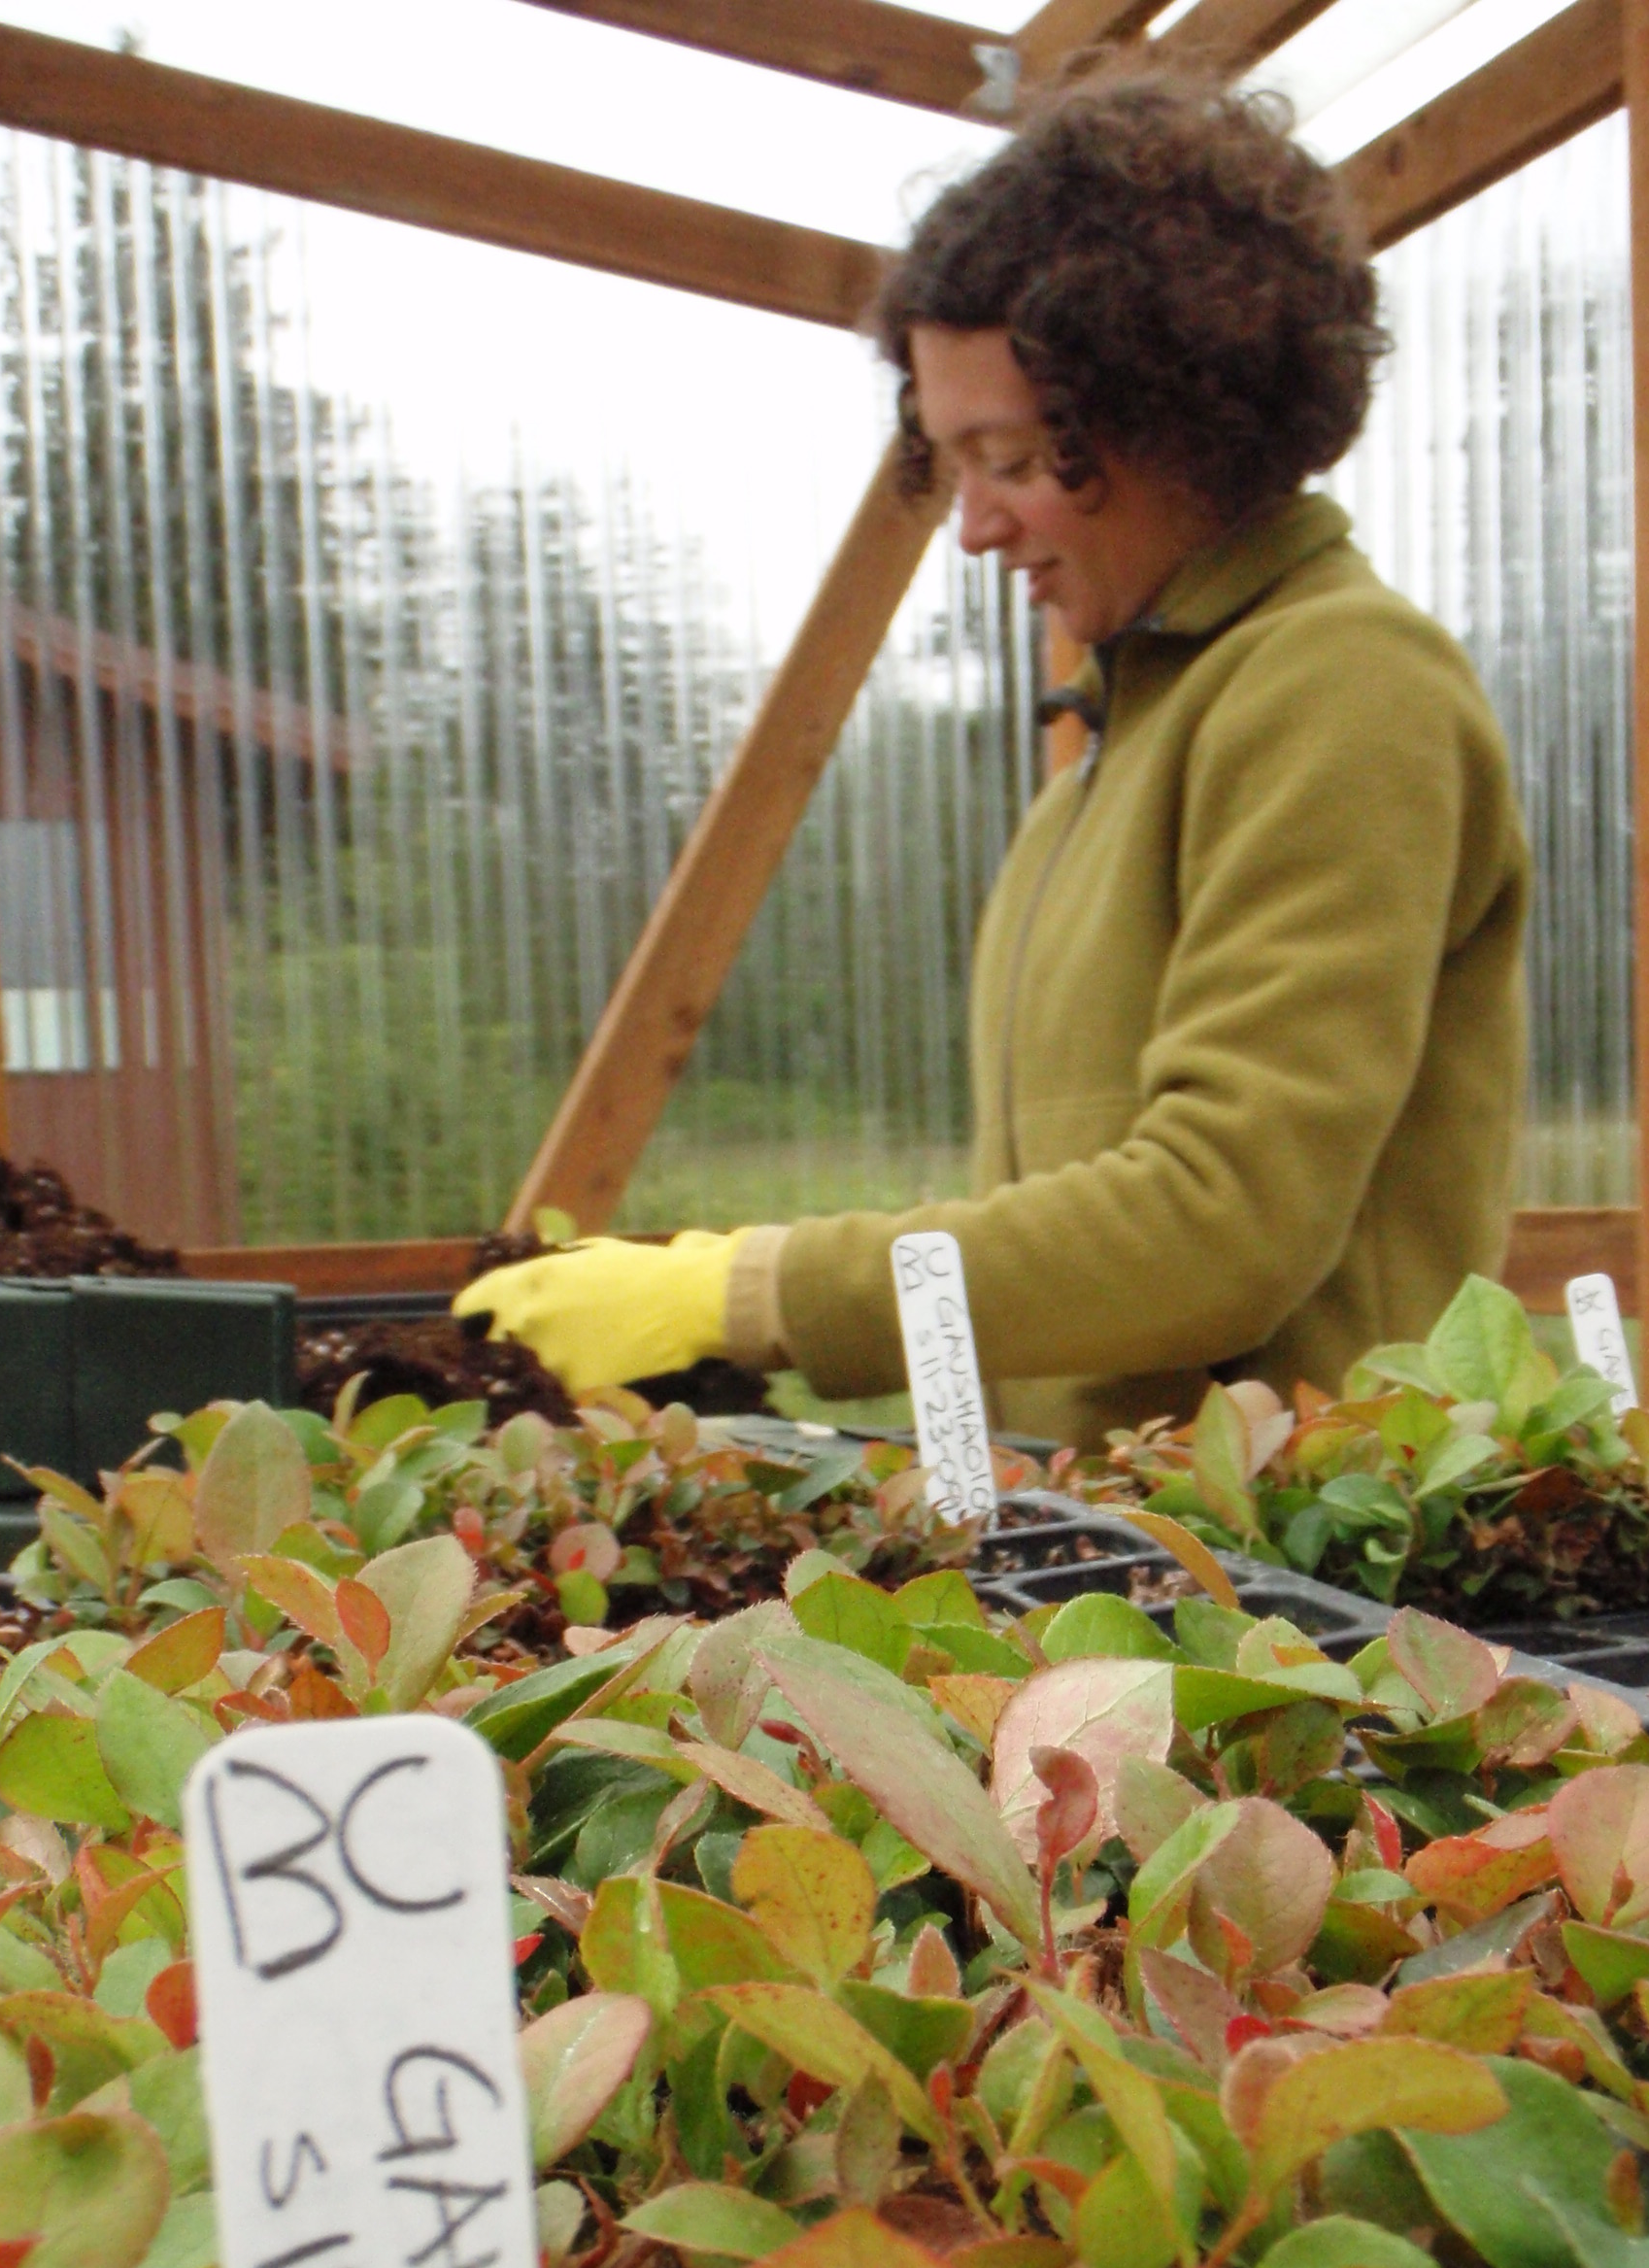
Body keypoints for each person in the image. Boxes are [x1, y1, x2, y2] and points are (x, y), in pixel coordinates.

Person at [457, 63, 1530, 1452]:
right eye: (951, 461)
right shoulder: (1109, 752)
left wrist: (746, 1293)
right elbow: (1075, 1253)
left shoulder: (1343, 684)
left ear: (1185, 423)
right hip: (1143, 1540)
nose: (970, 526)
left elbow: (1221, 1225)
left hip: (1309, 1550)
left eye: (1013, 460)